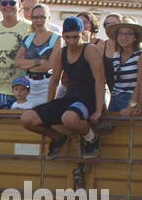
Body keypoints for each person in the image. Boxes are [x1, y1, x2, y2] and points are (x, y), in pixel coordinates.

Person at [20, 16, 106, 160]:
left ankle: (92, 139)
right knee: (26, 118)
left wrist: (98, 110)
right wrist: (49, 105)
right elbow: (54, 81)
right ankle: (58, 137)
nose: (72, 42)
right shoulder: (62, 52)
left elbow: (100, 80)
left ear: (83, 34)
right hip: (69, 98)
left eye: (75, 37)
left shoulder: (90, 49)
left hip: (87, 99)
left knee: (69, 118)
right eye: (68, 37)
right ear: (63, 36)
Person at [14, 2, 60, 106]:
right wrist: (39, 61)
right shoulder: (28, 38)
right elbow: (16, 62)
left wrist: (27, 64)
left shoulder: (56, 39)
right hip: (28, 85)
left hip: (47, 85)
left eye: (42, 17)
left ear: (49, 18)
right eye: (35, 17)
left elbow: (50, 65)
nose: (39, 21)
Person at [104, 17, 142, 115]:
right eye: (121, 33)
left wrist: (133, 106)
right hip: (114, 99)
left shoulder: (141, 55)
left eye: (128, 34)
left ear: (135, 37)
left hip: (130, 99)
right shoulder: (116, 56)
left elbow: (140, 84)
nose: (124, 37)